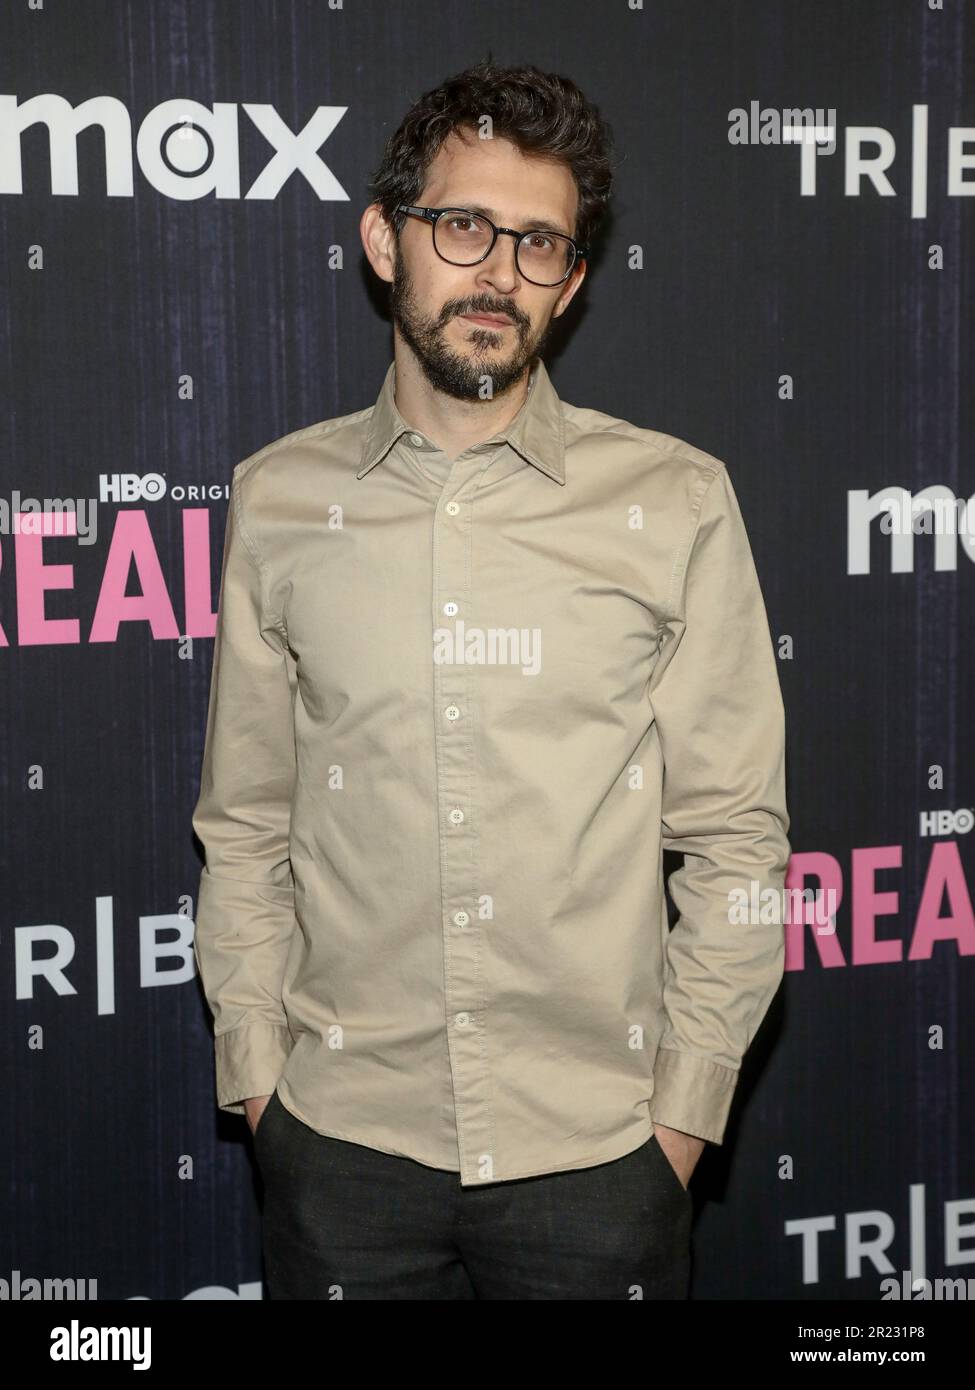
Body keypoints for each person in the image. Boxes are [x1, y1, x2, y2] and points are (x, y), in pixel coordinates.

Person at [191, 59, 791, 1300]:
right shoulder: (280, 499)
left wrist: (678, 1121)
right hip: (340, 1148)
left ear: (571, 281)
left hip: (603, 1155)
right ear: (383, 239)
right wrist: (263, 1081)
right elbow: (246, 821)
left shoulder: (673, 501)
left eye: (538, 244)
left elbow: (738, 843)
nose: (497, 273)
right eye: (463, 225)